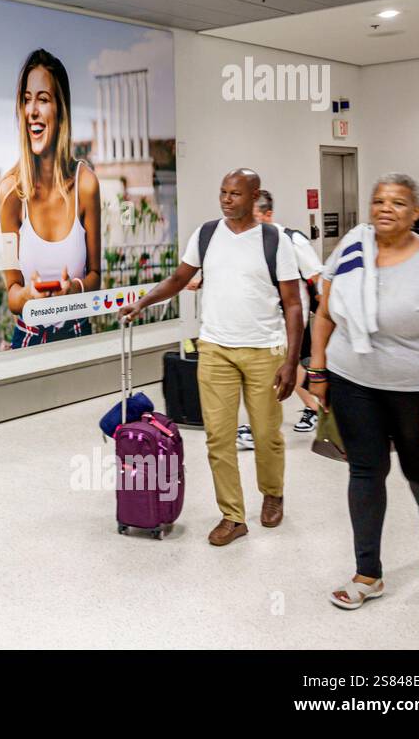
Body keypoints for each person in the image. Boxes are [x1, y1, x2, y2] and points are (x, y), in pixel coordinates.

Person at [308, 174, 419, 609]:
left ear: (417, 213)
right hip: (352, 381)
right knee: (365, 471)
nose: (385, 208)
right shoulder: (350, 249)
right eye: (379, 200)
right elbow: (324, 313)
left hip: (414, 389)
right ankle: (368, 574)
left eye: (398, 203)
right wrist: (318, 370)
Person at [123, 169, 304, 546]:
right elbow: (177, 279)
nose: (226, 199)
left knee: (267, 434)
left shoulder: (275, 240)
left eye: (235, 194)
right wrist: (143, 302)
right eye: (222, 192)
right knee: (218, 439)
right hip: (215, 349)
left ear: (254, 196)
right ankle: (233, 516)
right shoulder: (206, 234)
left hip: (263, 350)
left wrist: (291, 361)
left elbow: (292, 305)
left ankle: (273, 493)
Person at [0, 49, 101, 347]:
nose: (32, 111)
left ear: (60, 109)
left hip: (79, 336)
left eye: (42, 99)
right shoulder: (9, 192)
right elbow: (12, 295)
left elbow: (96, 276)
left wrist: (74, 291)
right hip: (29, 338)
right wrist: (29, 297)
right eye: (26, 99)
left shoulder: (86, 185)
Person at [253, 189, 324, 436]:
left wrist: (328, 316)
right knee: (287, 366)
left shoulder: (292, 240)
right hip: (264, 316)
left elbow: (317, 277)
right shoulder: (250, 242)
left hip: (291, 314)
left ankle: (261, 424)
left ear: (268, 214)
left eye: (252, 216)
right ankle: (317, 406)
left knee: (280, 365)